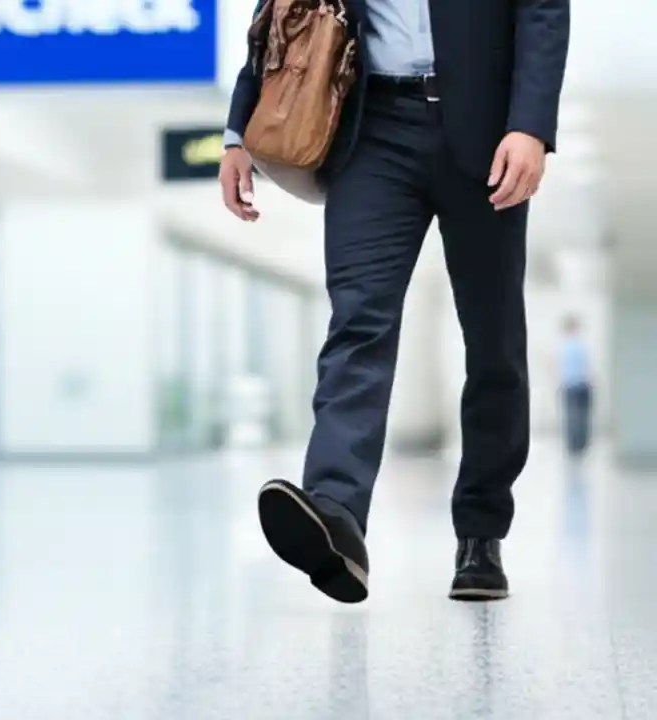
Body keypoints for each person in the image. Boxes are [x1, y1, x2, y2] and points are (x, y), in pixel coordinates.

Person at [219, 0, 569, 602]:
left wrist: (531, 124)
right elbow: (279, 9)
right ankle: (337, 513)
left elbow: (542, 8)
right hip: (369, 127)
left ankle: (481, 533)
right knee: (357, 320)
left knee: (494, 342)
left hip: (485, 127)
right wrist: (240, 127)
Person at [560, 317, 592, 458]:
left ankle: (574, 446)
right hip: (579, 384)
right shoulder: (580, 345)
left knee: (573, 416)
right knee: (580, 416)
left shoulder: (565, 346)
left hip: (571, 385)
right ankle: (579, 445)